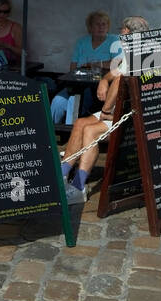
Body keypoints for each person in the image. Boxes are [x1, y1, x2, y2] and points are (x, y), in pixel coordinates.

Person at [58, 66, 124, 203]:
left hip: (129, 114)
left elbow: (119, 79)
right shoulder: (132, 54)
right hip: (116, 109)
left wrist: (105, 111)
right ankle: (62, 174)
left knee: (90, 131)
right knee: (80, 124)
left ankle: (78, 187)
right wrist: (105, 80)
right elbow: (116, 72)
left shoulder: (146, 55)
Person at [51, 10, 123, 124]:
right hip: (78, 84)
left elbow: (118, 63)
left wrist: (93, 64)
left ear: (108, 27)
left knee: (73, 101)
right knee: (57, 102)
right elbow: (73, 67)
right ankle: (52, 134)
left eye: (104, 24)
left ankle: (70, 134)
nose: (101, 27)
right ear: (90, 27)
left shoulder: (114, 41)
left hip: (98, 87)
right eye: (97, 24)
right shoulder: (82, 42)